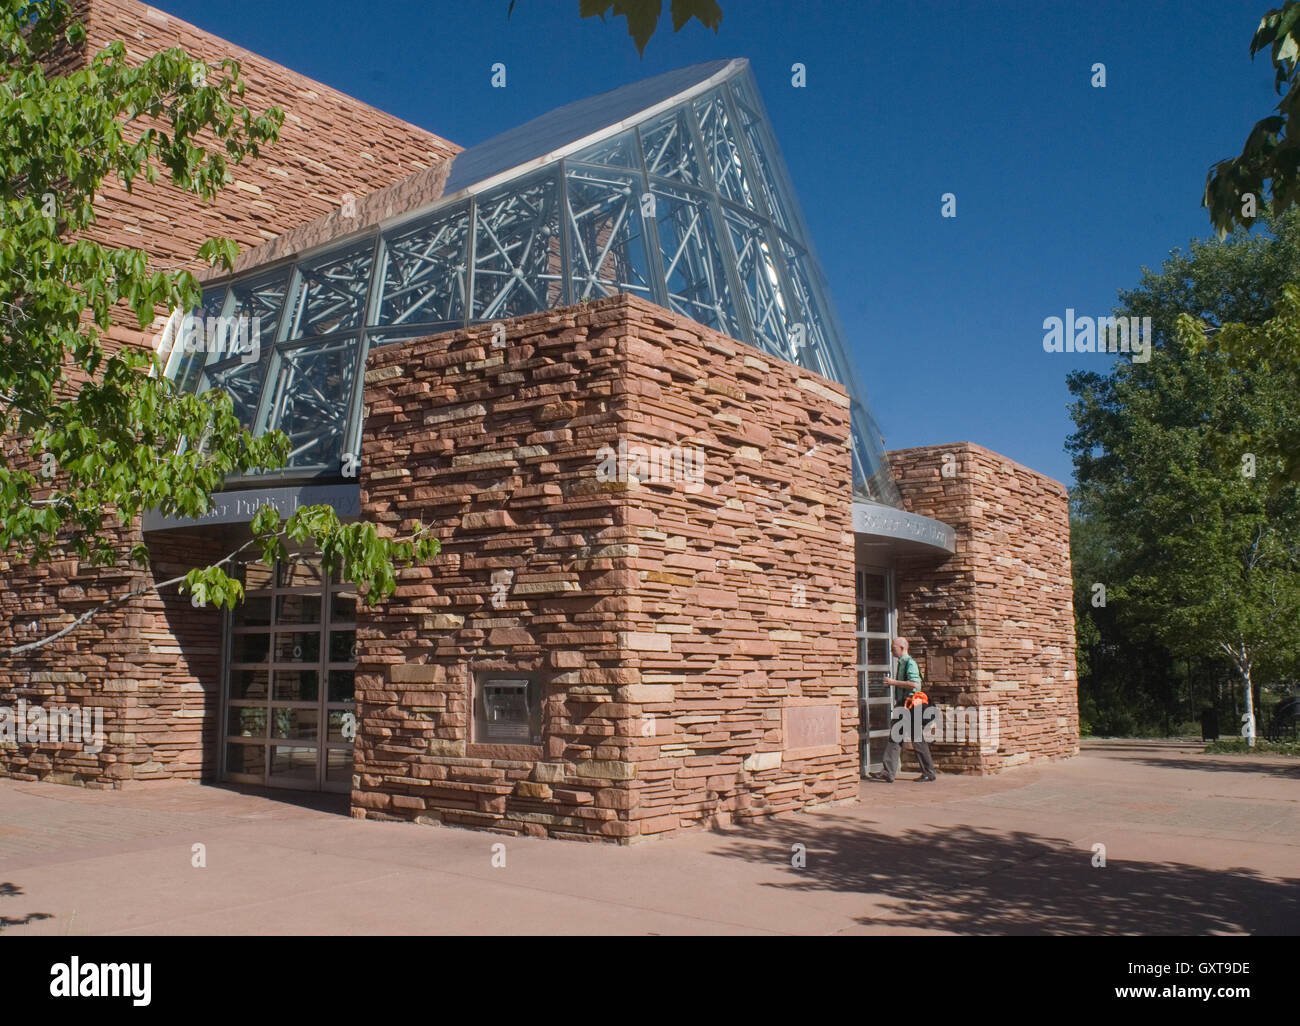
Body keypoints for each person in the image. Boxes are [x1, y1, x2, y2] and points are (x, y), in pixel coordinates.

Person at [870, 637, 937, 783]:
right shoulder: (902, 663)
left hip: (910, 707)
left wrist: (893, 682)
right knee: (896, 737)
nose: (891, 650)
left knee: (916, 740)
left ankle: (928, 772)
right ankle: (889, 772)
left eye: (893, 647)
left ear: (901, 647)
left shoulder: (909, 663)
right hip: (904, 705)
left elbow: (914, 684)